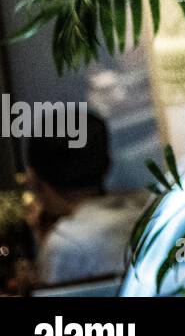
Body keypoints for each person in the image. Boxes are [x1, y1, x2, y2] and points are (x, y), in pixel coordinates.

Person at [24, 111, 152, 288]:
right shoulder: (147, 211)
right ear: (107, 165)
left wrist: (45, 244)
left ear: (33, 177)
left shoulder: (65, 244)